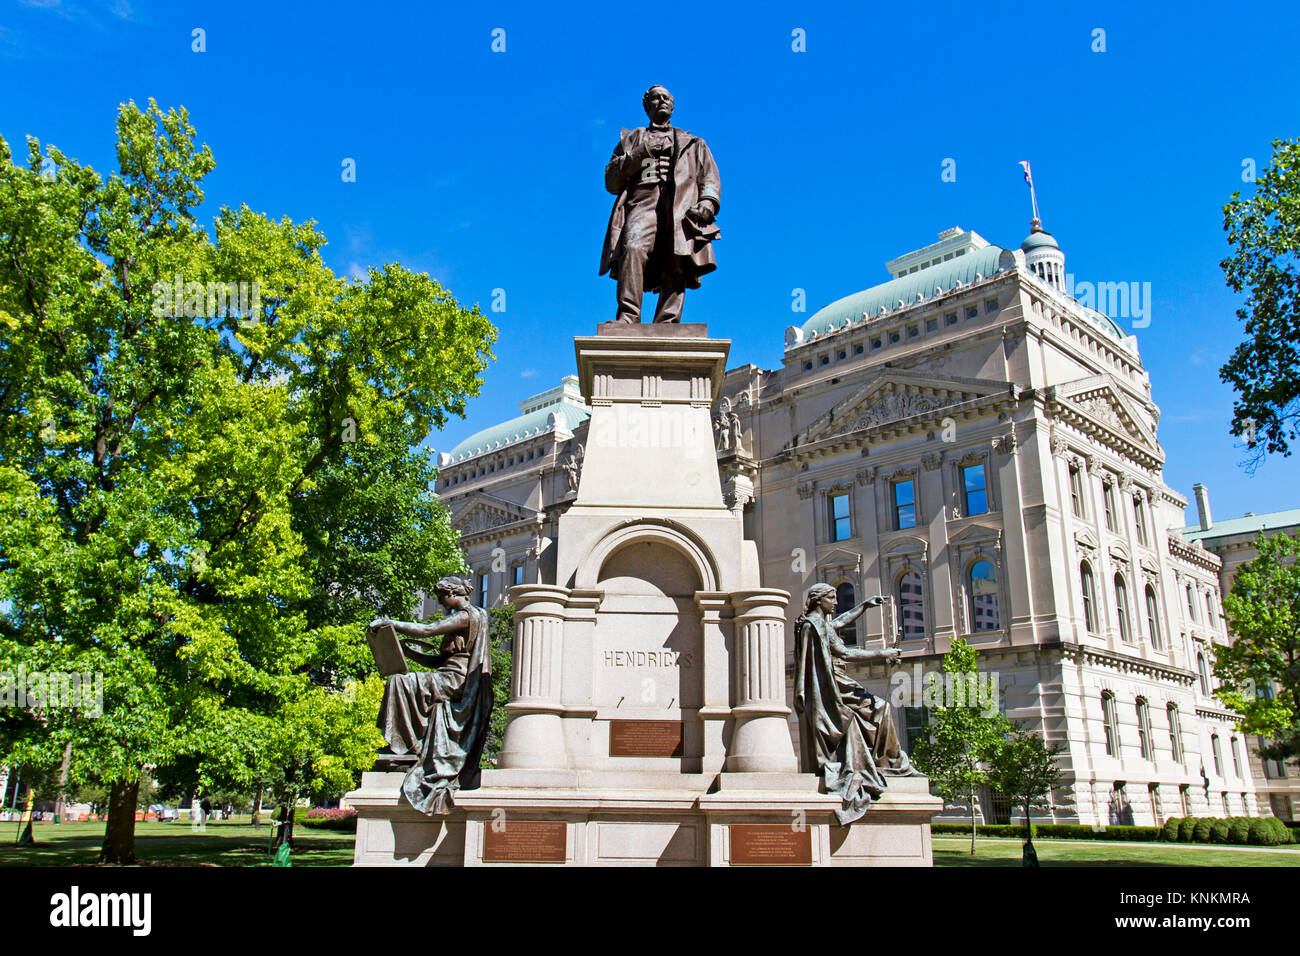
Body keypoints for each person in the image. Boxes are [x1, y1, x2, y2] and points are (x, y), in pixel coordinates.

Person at [793, 583, 919, 825]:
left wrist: (863, 606)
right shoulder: (815, 625)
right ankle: (891, 763)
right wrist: (884, 653)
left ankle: (888, 762)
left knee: (879, 709)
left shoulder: (818, 623)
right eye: (832, 598)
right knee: (880, 708)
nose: (837, 602)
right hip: (832, 685)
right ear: (820, 600)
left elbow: (839, 622)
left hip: (835, 681)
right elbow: (845, 654)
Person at [369, 576, 493, 815]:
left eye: (441, 597)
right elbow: (438, 661)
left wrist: (390, 623)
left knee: (400, 683)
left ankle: (405, 746)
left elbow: (428, 630)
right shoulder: (459, 618)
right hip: (446, 675)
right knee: (400, 680)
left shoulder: (468, 615)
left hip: (456, 682)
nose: (440, 603)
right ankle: (403, 746)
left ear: (451, 594)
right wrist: (407, 653)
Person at [599, 85, 720, 323]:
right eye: (656, 97)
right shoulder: (631, 139)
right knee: (632, 247)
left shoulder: (694, 142)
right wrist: (642, 152)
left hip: (682, 204)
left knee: (677, 257)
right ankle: (628, 315)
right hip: (641, 201)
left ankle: (668, 320)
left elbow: (709, 177)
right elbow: (611, 181)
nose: (662, 101)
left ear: (673, 106)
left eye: (666, 97)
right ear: (647, 106)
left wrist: (708, 201)